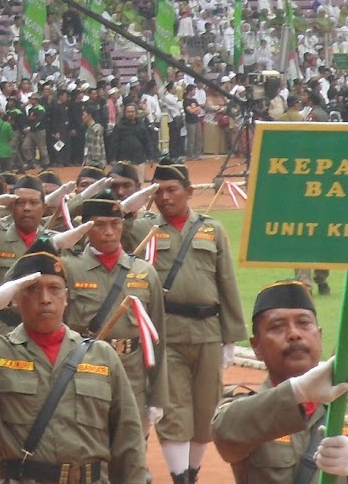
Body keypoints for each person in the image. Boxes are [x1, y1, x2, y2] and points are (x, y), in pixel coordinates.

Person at [0, 241, 147, 484]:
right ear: (14, 298)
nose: (45, 299)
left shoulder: (102, 356)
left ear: (66, 297)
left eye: (54, 288)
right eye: (32, 289)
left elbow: (128, 440)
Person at [212, 281, 348, 483]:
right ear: (256, 346)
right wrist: (299, 391)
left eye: (303, 323)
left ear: (319, 335)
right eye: (277, 327)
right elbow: (224, 434)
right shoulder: (244, 408)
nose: (294, 334)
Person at [146, 162, 246, 484]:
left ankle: (192, 473)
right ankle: (180, 479)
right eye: (157, 191)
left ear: (189, 192)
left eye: (172, 189)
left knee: (206, 411)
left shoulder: (211, 229)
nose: (164, 197)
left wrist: (230, 338)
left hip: (207, 331)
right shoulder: (146, 230)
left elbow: (226, 281)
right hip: (168, 331)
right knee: (174, 409)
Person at [62, 192, 167, 437]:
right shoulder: (69, 268)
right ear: (85, 228)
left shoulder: (144, 272)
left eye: (115, 223)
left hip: (132, 372)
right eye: (99, 225)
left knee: (130, 447)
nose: (109, 231)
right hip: (85, 370)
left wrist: (158, 397)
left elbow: (158, 338)